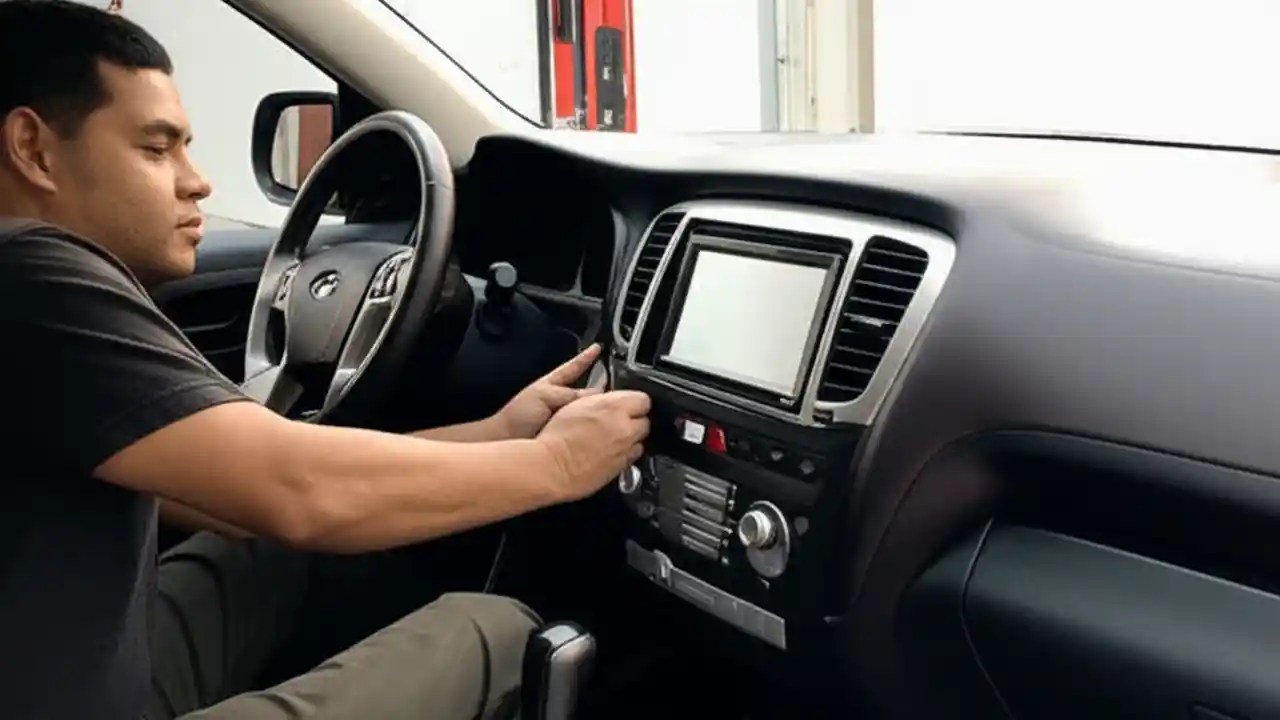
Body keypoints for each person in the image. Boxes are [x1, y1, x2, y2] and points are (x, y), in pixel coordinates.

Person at [0, 2, 650, 719]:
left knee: (277, 557)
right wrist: (555, 466)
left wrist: (495, 434)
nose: (198, 181)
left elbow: (246, 498)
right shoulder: (32, 275)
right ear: (32, 148)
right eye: (158, 150)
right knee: (490, 632)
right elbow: (301, 490)